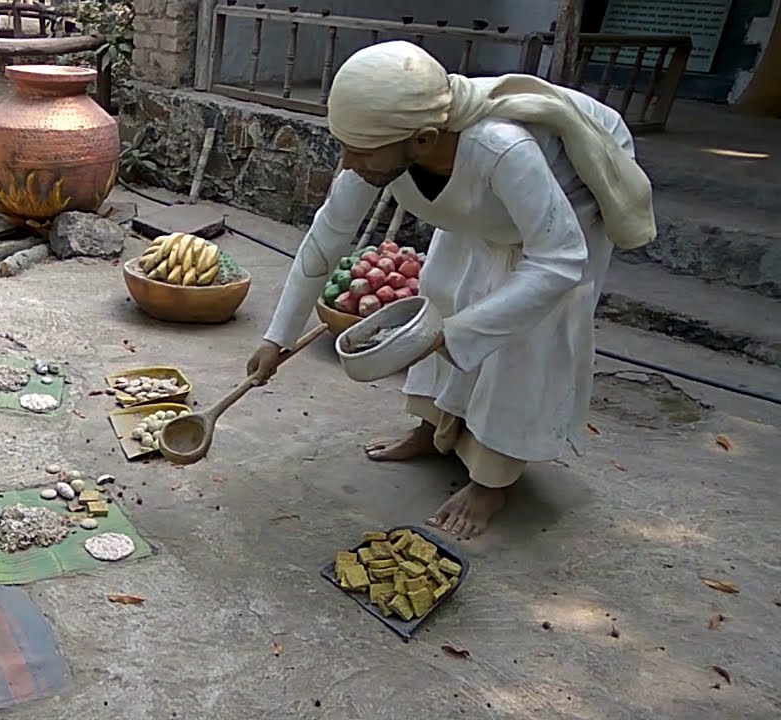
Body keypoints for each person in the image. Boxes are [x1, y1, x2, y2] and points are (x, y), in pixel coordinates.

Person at [246, 41, 656, 539]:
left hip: (566, 201)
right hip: (485, 202)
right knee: (439, 291)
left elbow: (559, 259)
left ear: (422, 139)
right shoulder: (382, 145)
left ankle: (492, 479)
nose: (348, 163)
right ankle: (433, 429)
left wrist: (459, 332)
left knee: (524, 335)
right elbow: (325, 239)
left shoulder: (503, 149)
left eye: (359, 152)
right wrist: (277, 337)